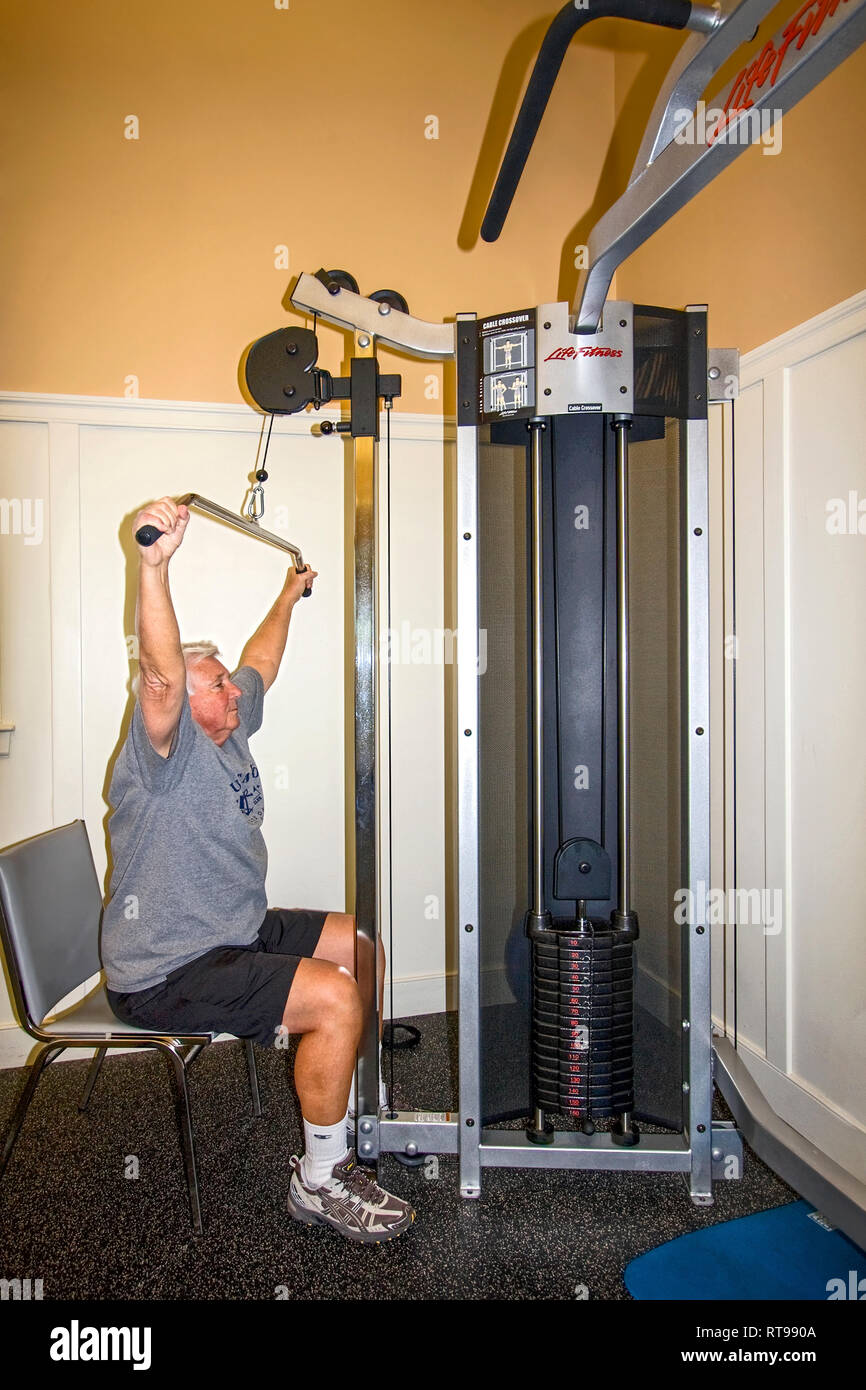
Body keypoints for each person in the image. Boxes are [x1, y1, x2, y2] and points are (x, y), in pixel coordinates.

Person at [101, 496, 415, 1244]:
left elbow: (260, 660)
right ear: (184, 699)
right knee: (337, 998)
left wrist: (288, 592)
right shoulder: (160, 755)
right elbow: (162, 678)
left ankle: (339, 1100)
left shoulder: (231, 722)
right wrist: (152, 565)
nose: (234, 690)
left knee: (359, 944)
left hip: (234, 930)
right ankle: (319, 1179)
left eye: (227, 686)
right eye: (216, 686)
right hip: (167, 968)